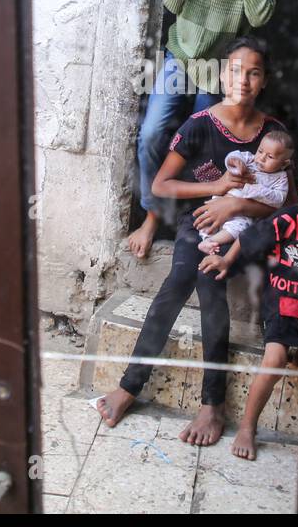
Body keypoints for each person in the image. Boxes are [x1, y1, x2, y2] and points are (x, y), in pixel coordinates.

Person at [97, 38, 287, 445]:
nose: (243, 80)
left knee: (208, 279)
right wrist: (218, 187)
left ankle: (211, 405)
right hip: (197, 223)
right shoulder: (199, 124)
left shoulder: (273, 134)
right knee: (178, 280)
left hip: (246, 233)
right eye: (235, 70)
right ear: (221, 75)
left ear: (264, 80)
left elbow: (286, 204)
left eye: (254, 72)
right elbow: (163, 183)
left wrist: (235, 204)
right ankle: (130, 385)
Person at [126, 0, 279, 259]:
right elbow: (172, 2)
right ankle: (153, 216)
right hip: (181, 57)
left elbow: (259, 16)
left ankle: (198, 227)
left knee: (209, 152)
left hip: (219, 71)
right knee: (153, 135)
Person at [199, 148, 298, 460]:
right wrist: (226, 260)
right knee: (274, 360)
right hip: (283, 303)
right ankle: (247, 426)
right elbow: (249, 237)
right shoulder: (286, 220)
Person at [197, 130, 294, 255]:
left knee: (239, 228)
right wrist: (235, 162)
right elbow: (234, 155)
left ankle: (210, 241)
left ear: (284, 163)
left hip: (243, 214)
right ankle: (205, 237)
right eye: (260, 151)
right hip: (221, 200)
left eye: (270, 157)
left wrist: (255, 190)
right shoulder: (250, 159)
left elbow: (279, 199)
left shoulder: (280, 178)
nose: (262, 158)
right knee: (207, 218)